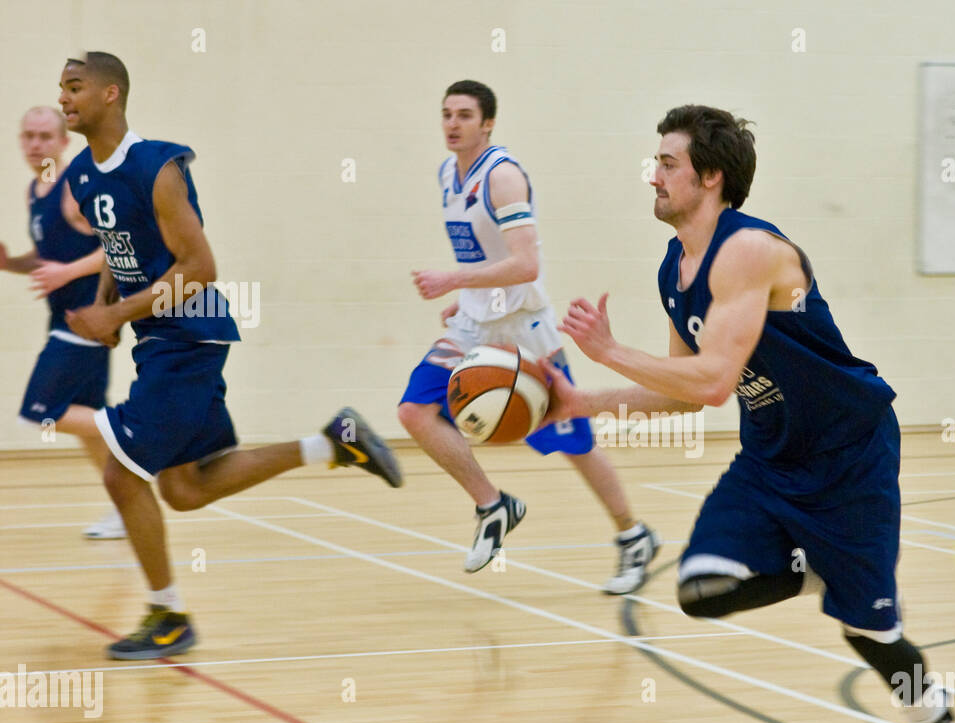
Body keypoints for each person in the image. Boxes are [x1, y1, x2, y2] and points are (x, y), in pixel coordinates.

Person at [546, 105, 955, 723]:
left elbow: (713, 383)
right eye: (654, 161)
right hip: (772, 457)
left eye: (668, 163)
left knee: (867, 627)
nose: (652, 175)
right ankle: (811, 567)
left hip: (848, 453)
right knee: (700, 589)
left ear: (711, 177)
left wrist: (610, 350)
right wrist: (584, 400)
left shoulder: (749, 250)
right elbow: (684, 392)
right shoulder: (674, 265)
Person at [58, 51, 402, 660]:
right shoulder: (84, 173)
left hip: (187, 336)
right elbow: (123, 247)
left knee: (119, 472)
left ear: (112, 94)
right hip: (159, 340)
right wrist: (108, 304)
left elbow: (200, 267)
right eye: (62, 88)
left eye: (75, 86)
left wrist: (114, 314)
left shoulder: (156, 166)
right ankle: (334, 442)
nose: (64, 98)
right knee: (185, 489)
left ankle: (168, 618)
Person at [400, 80, 659, 593]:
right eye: (447, 114)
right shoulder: (447, 175)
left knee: (573, 438)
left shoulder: (503, 176)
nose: (453, 124)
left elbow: (525, 263)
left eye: (465, 115)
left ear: (488, 122)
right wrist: (469, 298)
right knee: (414, 411)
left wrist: (454, 281)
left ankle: (633, 535)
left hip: (524, 330)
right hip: (476, 323)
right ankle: (493, 504)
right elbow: (484, 256)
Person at [1, 105, 123, 539]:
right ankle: (126, 508)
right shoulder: (36, 190)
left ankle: (138, 436)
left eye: (45, 136)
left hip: (85, 321)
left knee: (41, 412)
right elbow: (48, 258)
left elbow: (116, 248)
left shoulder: (77, 187)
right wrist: (11, 263)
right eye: (28, 136)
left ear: (63, 141)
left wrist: (68, 273)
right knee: (87, 426)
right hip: (64, 319)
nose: (36, 144)